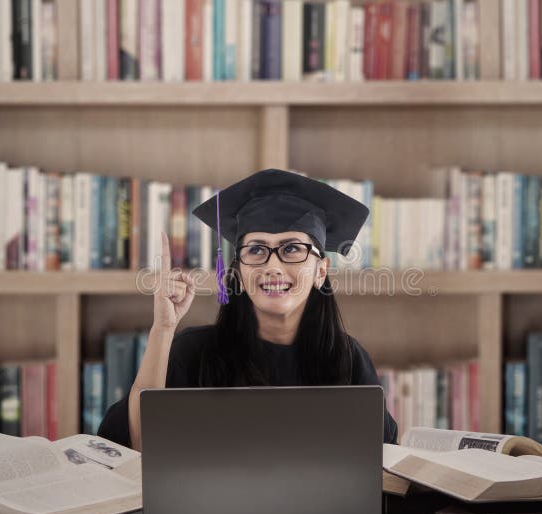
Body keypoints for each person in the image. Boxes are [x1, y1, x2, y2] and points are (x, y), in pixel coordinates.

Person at [97, 168, 399, 450]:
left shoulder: (347, 360)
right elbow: (136, 448)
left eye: (292, 248)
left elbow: (381, 471)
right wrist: (163, 329)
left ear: (321, 270)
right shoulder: (195, 353)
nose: (273, 266)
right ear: (239, 269)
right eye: (256, 250)